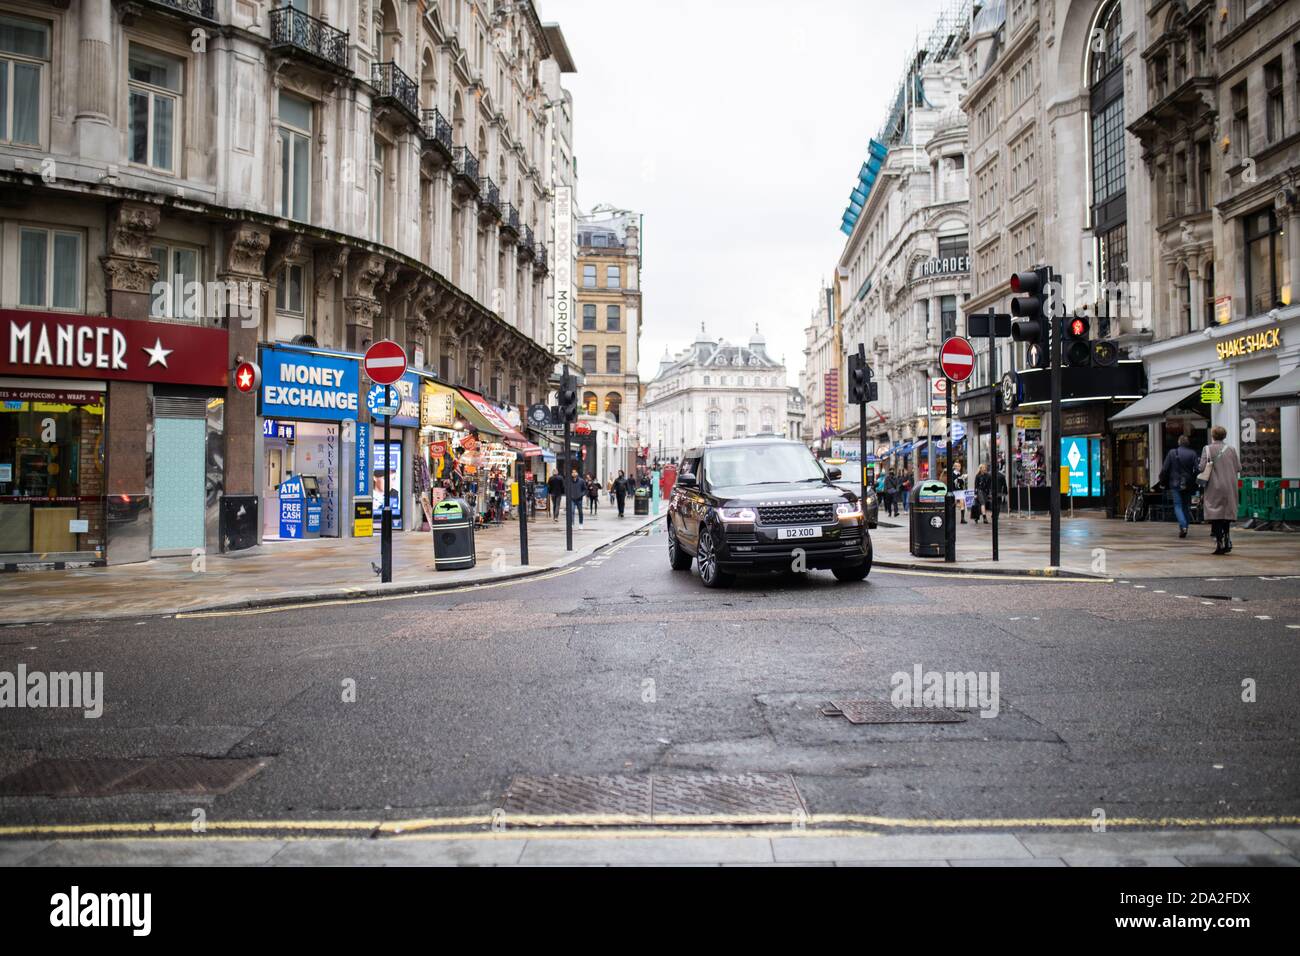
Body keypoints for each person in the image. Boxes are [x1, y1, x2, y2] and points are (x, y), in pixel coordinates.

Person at [1199, 425, 1241, 555]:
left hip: (1214, 485)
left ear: (1213, 435)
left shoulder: (1207, 449)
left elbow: (1201, 468)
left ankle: (1219, 542)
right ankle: (1227, 538)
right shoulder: (1232, 449)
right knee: (1226, 513)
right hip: (1229, 485)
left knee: (1215, 514)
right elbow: (1238, 467)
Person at [1159, 435, 1201, 538]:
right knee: (1186, 506)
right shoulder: (1192, 453)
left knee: (1178, 505)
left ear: (1179, 442)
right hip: (1188, 483)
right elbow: (1197, 469)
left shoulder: (1172, 453)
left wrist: (1162, 481)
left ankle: (1183, 526)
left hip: (1175, 483)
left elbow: (1165, 469)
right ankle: (1185, 526)